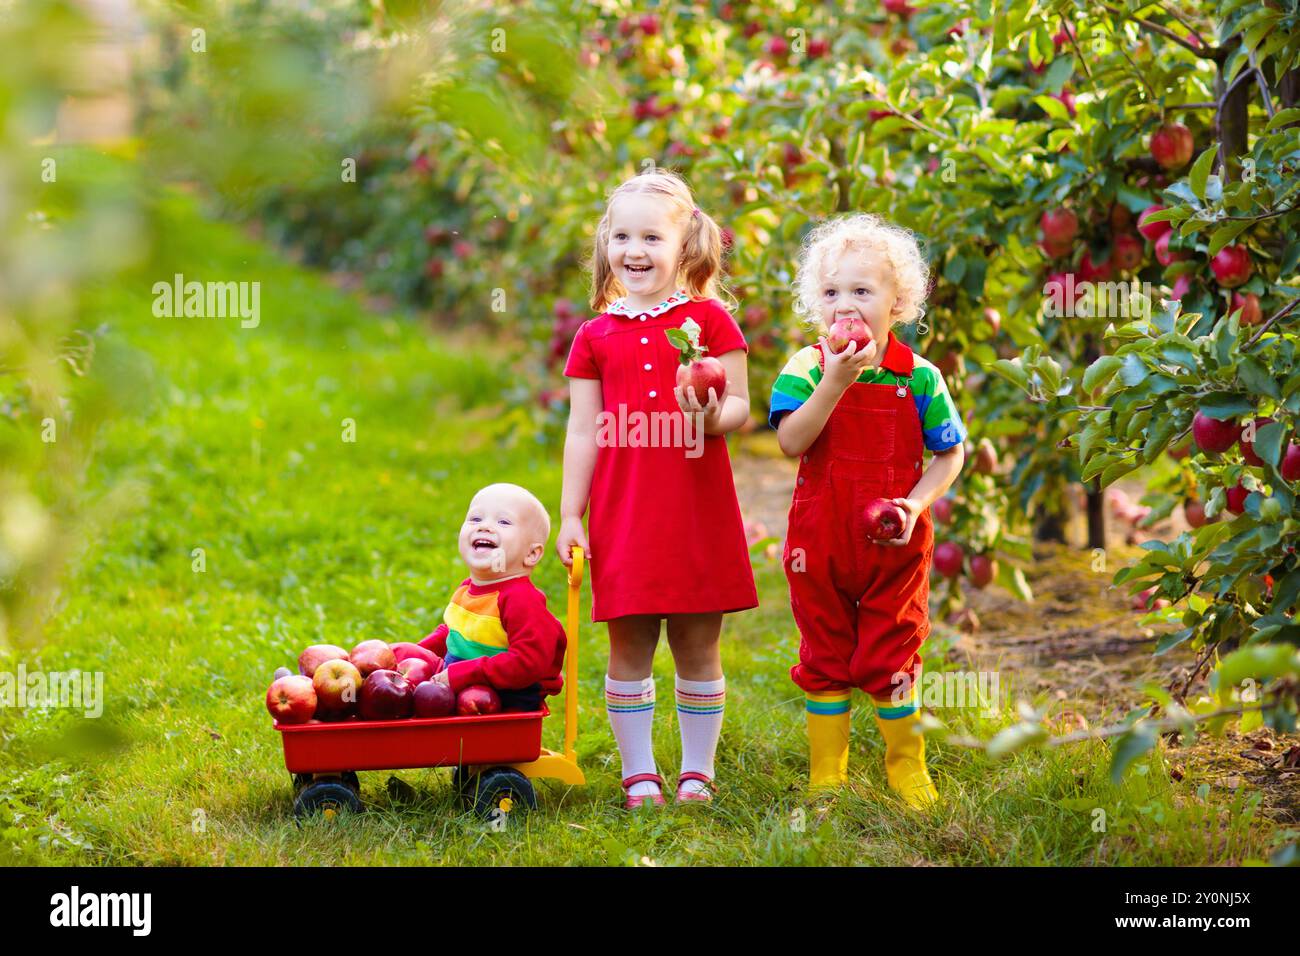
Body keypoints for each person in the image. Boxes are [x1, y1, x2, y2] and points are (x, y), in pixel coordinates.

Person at [557, 169, 757, 807]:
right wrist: (570, 515)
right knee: (630, 640)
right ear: (605, 246)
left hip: (696, 509)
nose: (634, 251)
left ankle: (698, 770)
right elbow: (583, 430)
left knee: (699, 640)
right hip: (625, 512)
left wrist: (709, 414)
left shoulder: (709, 322)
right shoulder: (595, 335)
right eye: (621, 236)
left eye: (650, 237)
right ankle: (639, 770)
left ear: (686, 247)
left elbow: (741, 406)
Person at [770, 213, 966, 809]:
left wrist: (916, 502)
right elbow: (790, 442)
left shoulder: (922, 377)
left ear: (897, 301)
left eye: (862, 290)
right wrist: (834, 382)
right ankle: (828, 770)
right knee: (825, 652)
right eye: (831, 292)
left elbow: (950, 453)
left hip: (895, 544)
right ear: (815, 303)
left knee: (894, 650)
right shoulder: (806, 368)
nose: (844, 305)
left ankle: (906, 765)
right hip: (821, 542)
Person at [422, 483, 565, 713]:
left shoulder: (521, 600)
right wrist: (416, 653)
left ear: (531, 554)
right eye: (475, 519)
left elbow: (528, 662)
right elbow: (455, 633)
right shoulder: (466, 589)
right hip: (459, 690)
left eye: (504, 522)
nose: (485, 527)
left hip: (502, 703)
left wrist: (463, 674)